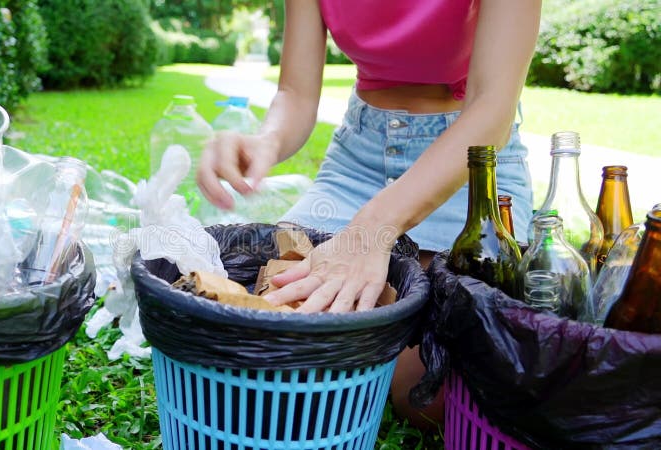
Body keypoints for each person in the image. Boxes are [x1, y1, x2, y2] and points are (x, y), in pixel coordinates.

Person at [197, 0, 541, 427]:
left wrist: (371, 230)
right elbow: (295, 94)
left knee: (424, 396)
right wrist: (266, 141)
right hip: (358, 158)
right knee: (276, 325)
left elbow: (493, 109)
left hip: (471, 164)